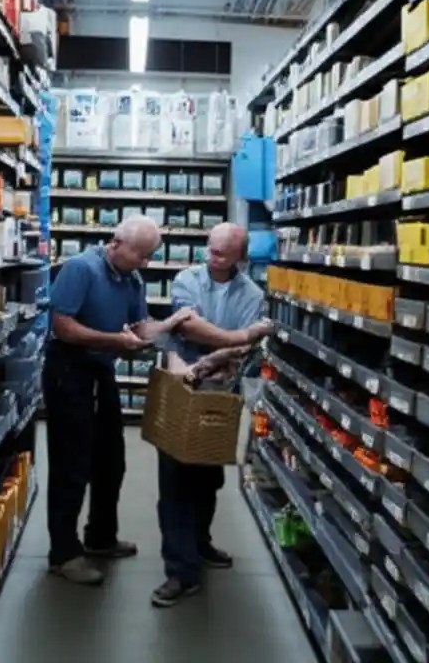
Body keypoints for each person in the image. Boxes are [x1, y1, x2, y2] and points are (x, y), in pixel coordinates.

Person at [43, 215, 196, 585]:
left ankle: (100, 538)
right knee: (71, 464)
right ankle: (63, 553)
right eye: (141, 254)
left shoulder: (132, 279)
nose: (145, 263)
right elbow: (62, 326)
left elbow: (139, 326)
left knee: (111, 460)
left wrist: (169, 324)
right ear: (116, 244)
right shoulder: (80, 269)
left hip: (100, 371)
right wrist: (115, 341)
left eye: (149, 256)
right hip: (69, 372)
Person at [151, 222, 272, 607]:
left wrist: (222, 351)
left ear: (240, 256)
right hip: (180, 388)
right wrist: (238, 337)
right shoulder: (187, 278)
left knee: (208, 478)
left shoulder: (252, 293)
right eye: (210, 248)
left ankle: (200, 544)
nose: (211, 256)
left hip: (220, 394)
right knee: (174, 482)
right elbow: (188, 326)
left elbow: (233, 351)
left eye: (221, 252)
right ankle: (180, 572)